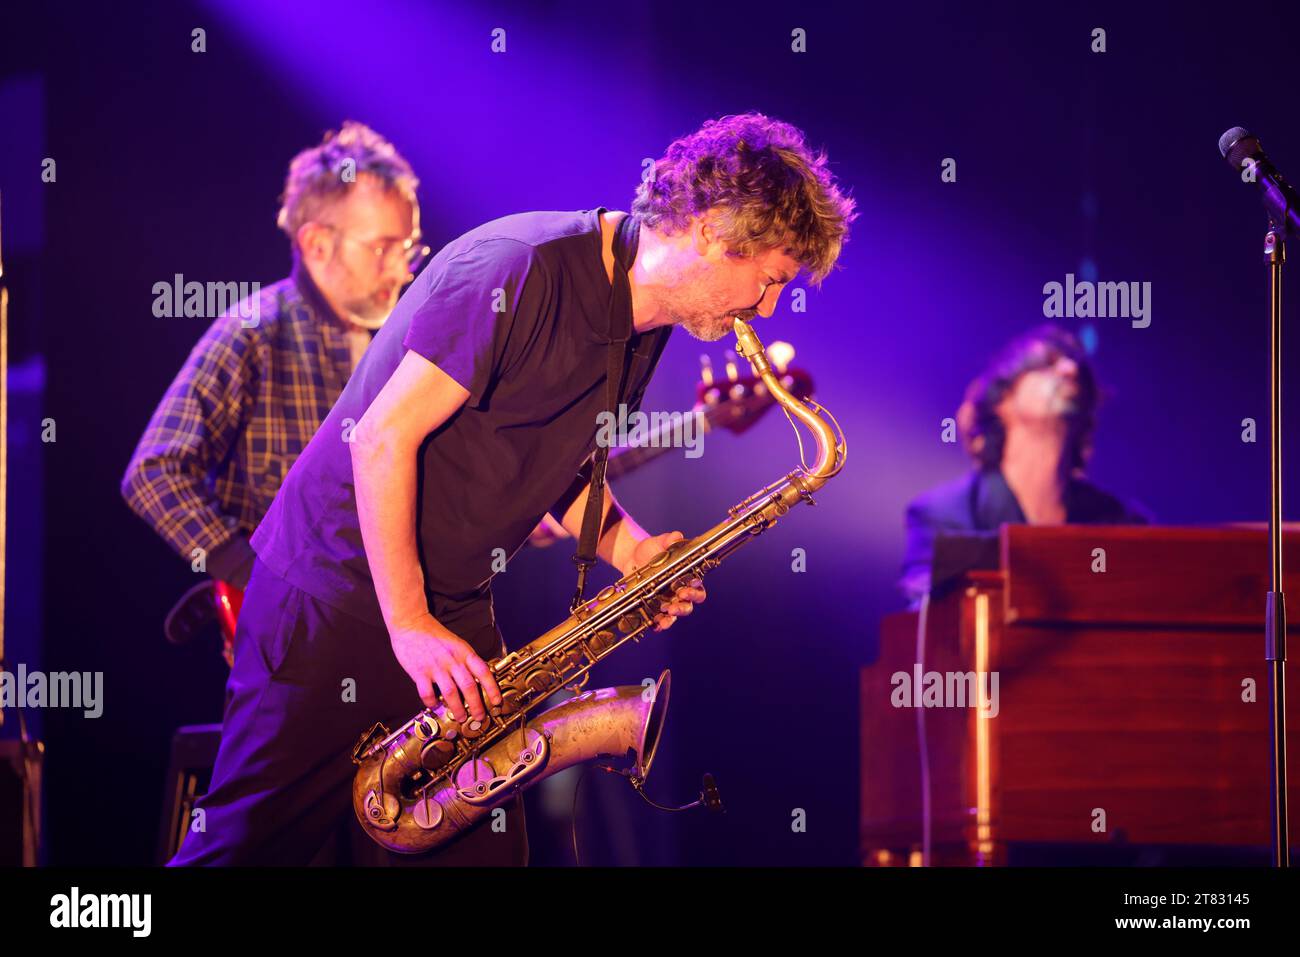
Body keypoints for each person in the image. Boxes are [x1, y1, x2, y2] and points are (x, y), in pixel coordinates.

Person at [168, 111, 857, 866]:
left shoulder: (645, 322)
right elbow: (381, 437)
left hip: (447, 615)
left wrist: (631, 550)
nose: (766, 308)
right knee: (242, 853)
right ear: (711, 232)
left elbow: (554, 460)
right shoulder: (519, 267)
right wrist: (410, 624)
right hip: (332, 595)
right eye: (770, 280)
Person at [121, 121, 427, 595]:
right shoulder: (255, 331)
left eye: (408, 248)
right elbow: (153, 473)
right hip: (285, 631)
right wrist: (256, 581)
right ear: (316, 245)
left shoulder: (399, 346)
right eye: (383, 248)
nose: (402, 270)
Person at [899, 324, 1150, 606]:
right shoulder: (942, 515)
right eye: (1047, 363)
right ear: (1002, 401)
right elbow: (927, 621)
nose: (1070, 369)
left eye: (1075, 366)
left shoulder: (1120, 522)